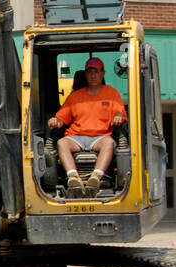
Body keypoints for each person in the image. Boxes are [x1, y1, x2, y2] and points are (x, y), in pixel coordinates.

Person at [47, 58, 126, 197]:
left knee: (109, 142)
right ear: (85, 75)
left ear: (102, 73)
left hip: (101, 137)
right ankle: (73, 178)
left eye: (96, 71)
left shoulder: (112, 93)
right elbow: (61, 118)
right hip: (76, 137)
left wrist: (118, 117)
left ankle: (95, 178)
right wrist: (55, 121)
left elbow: (120, 113)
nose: (93, 75)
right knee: (61, 142)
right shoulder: (75, 96)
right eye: (90, 72)